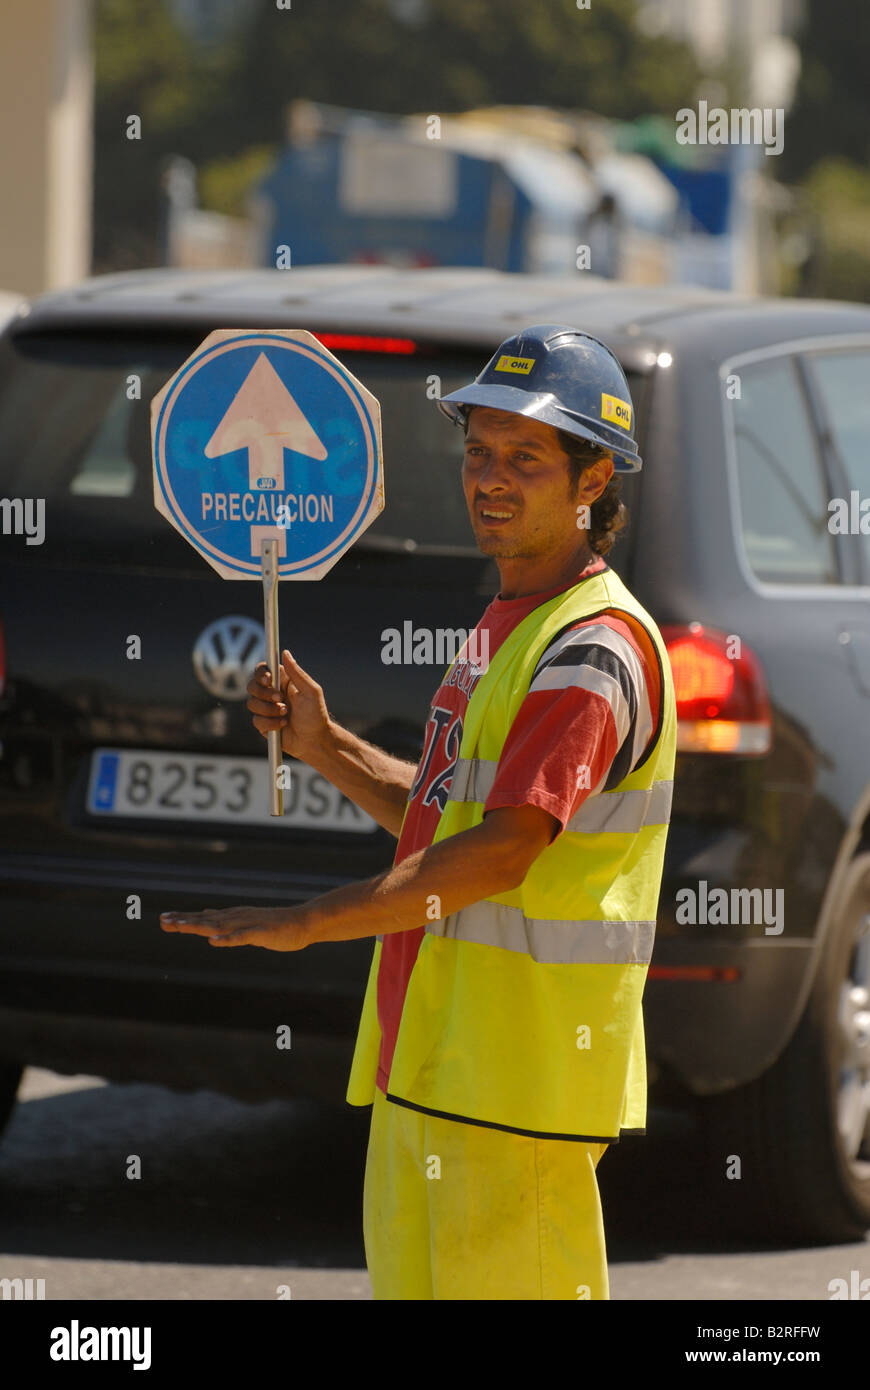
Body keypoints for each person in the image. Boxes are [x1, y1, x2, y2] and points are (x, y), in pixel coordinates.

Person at [161, 324, 677, 1300]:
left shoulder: (593, 648)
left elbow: (500, 853)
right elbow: (446, 821)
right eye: (479, 450)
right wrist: (329, 747)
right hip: (427, 1064)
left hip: (514, 1084)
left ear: (593, 478)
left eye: (526, 457)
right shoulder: (508, 622)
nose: (490, 476)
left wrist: (309, 921)